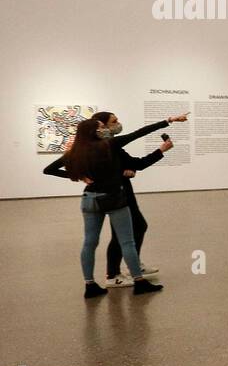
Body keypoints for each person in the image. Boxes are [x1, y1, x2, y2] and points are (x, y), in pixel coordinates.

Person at [43, 115, 187, 297]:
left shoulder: (76, 151)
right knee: (127, 241)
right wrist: (168, 120)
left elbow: (49, 170)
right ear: (94, 131)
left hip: (89, 198)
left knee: (89, 243)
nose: (104, 129)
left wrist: (79, 176)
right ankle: (139, 281)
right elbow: (139, 133)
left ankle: (90, 285)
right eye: (101, 126)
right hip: (113, 197)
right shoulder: (109, 145)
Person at [91, 111, 168, 288]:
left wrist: (160, 150)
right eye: (113, 121)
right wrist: (168, 121)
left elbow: (135, 164)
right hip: (115, 195)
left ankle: (134, 265)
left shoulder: (113, 146)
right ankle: (113, 275)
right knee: (121, 234)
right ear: (101, 126)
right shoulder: (105, 146)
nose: (118, 123)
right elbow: (103, 169)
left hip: (123, 192)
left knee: (138, 226)